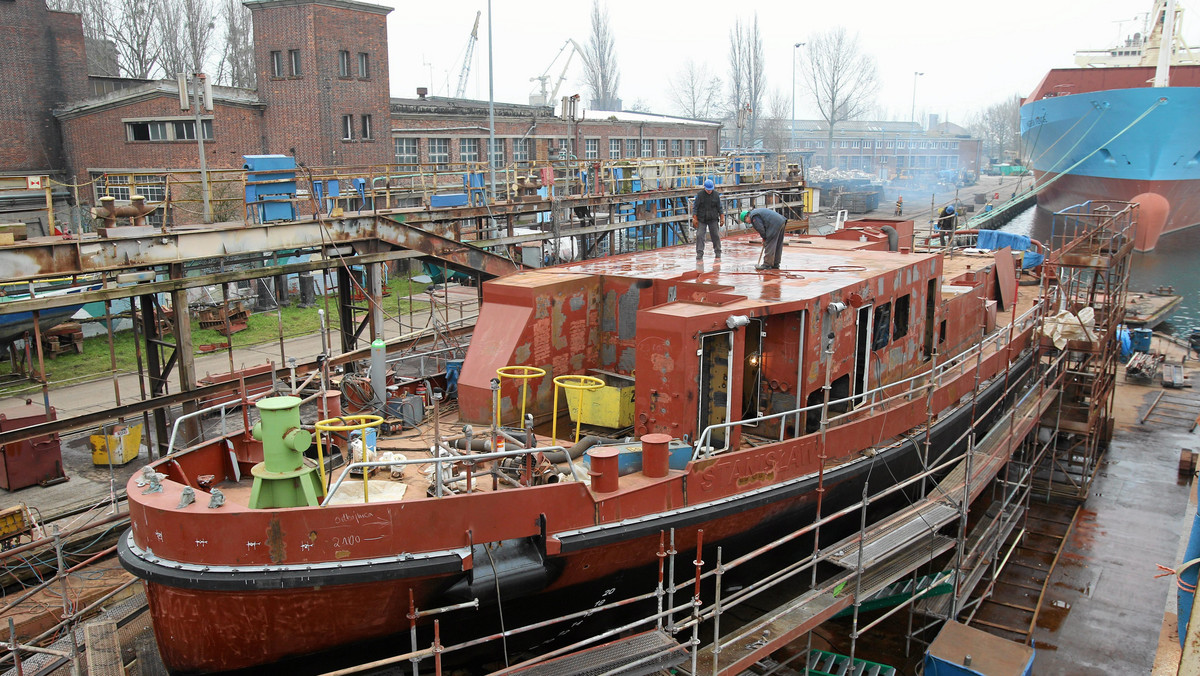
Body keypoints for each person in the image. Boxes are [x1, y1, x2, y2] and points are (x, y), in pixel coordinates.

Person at [692, 178, 722, 260]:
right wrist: (694, 218)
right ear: (704, 188)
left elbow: (720, 207)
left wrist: (722, 217)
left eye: (711, 190)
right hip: (702, 219)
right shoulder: (700, 195)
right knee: (699, 235)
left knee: (715, 235)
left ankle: (718, 251)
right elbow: (695, 207)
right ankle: (699, 253)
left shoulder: (716, 195)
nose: (709, 191)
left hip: (713, 219)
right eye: (708, 190)